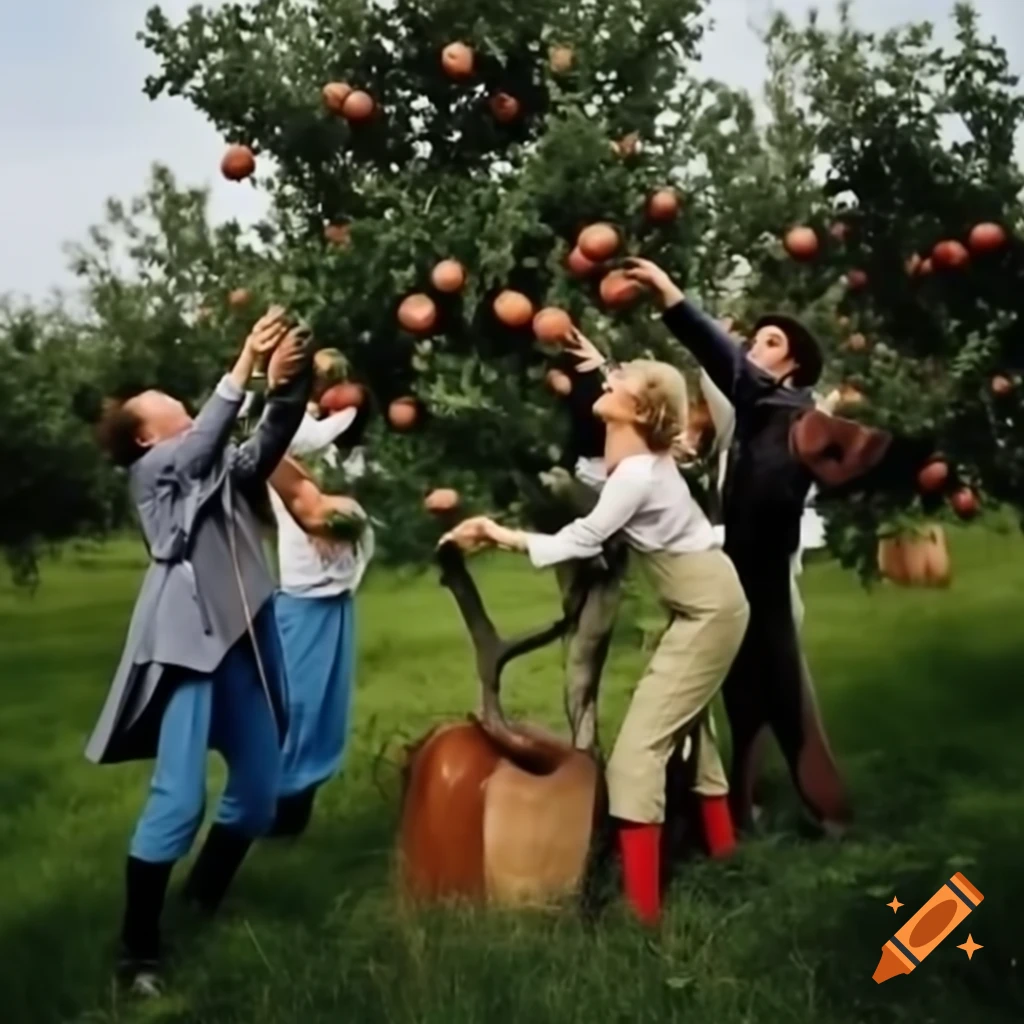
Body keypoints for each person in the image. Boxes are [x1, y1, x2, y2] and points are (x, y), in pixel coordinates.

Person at [442, 358, 749, 926]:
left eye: (620, 383)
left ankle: (642, 916)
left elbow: (583, 538)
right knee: (692, 731)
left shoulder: (636, 475)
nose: (607, 383)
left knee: (636, 755)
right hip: (702, 604)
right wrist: (594, 355)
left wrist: (495, 533)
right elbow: (622, 382)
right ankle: (727, 857)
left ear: (639, 409)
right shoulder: (638, 460)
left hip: (709, 610)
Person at [88, 307, 312, 996]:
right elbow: (196, 449)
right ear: (148, 435)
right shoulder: (154, 474)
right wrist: (243, 361)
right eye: (177, 410)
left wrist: (286, 386)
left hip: (240, 642)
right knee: (179, 799)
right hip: (189, 647)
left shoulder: (214, 467)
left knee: (257, 792)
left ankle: (203, 902)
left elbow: (264, 444)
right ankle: (138, 955)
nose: (191, 412)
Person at [621, 258, 856, 834]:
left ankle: (832, 816)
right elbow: (719, 367)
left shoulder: (788, 409)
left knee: (787, 703)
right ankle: (741, 814)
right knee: (743, 702)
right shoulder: (760, 411)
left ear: (793, 365)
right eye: (756, 338)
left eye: (770, 342)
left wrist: (669, 293)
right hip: (738, 577)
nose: (756, 346)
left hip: (768, 585)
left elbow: (716, 353)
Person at [264, 402, 375, 837]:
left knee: (322, 713)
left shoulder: (340, 457)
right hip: (301, 601)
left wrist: (345, 514)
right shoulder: (270, 445)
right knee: (298, 708)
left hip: (332, 600)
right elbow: (251, 433)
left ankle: (290, 814)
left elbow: (350, 506)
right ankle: (271, 813)